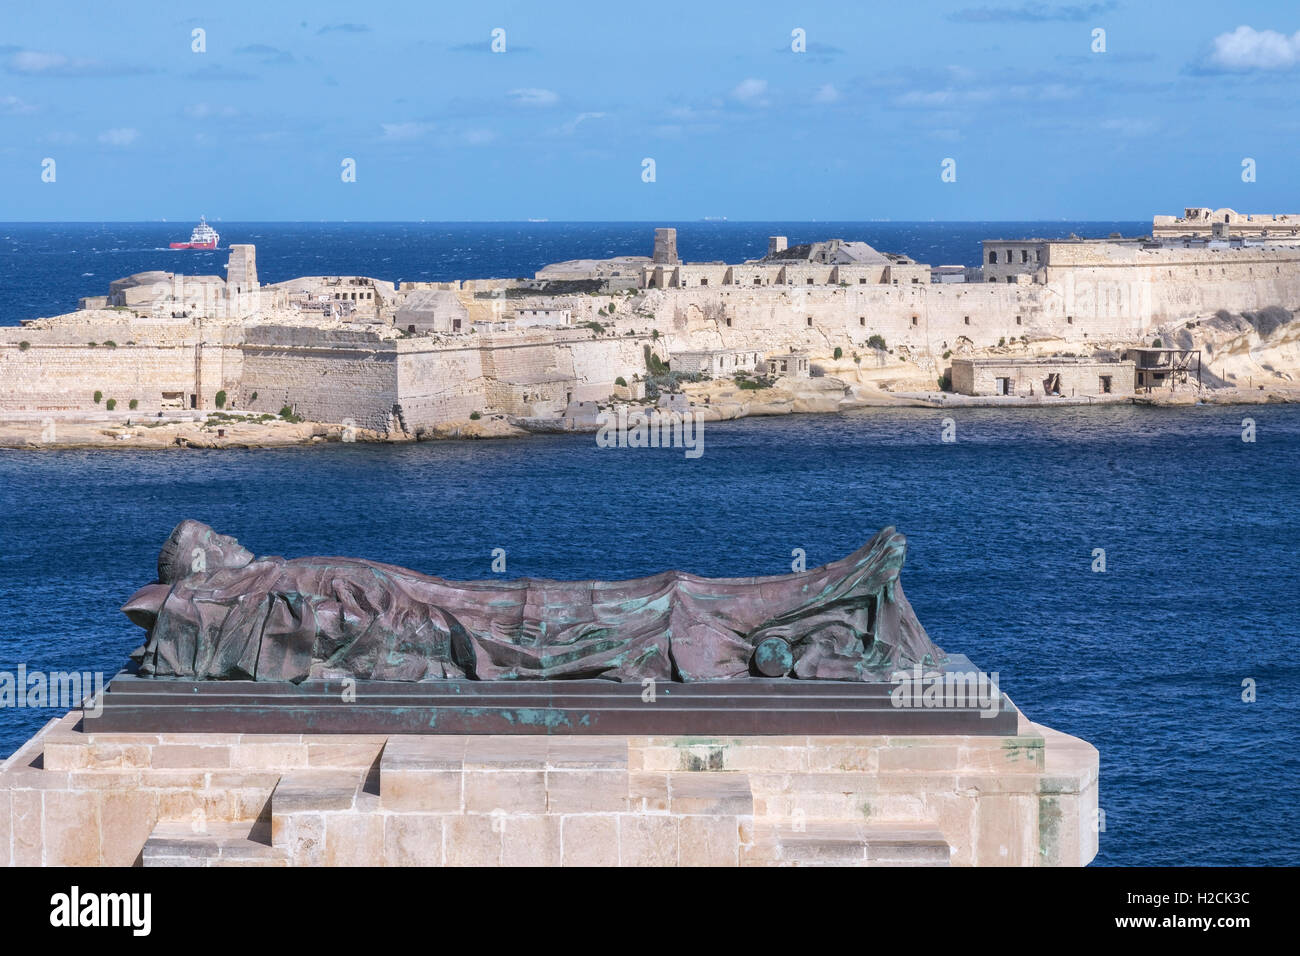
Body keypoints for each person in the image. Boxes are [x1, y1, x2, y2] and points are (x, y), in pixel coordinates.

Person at [123, 520, 945, 683]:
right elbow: (357, 638)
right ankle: (827, 591)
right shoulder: (262, 595)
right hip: (488, 629)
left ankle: (827, 592)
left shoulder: (276, 580)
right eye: (212, 544)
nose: (229, 541)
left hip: (478, 608)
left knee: (665, 598)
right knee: (665, 603)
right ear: (204, 570)